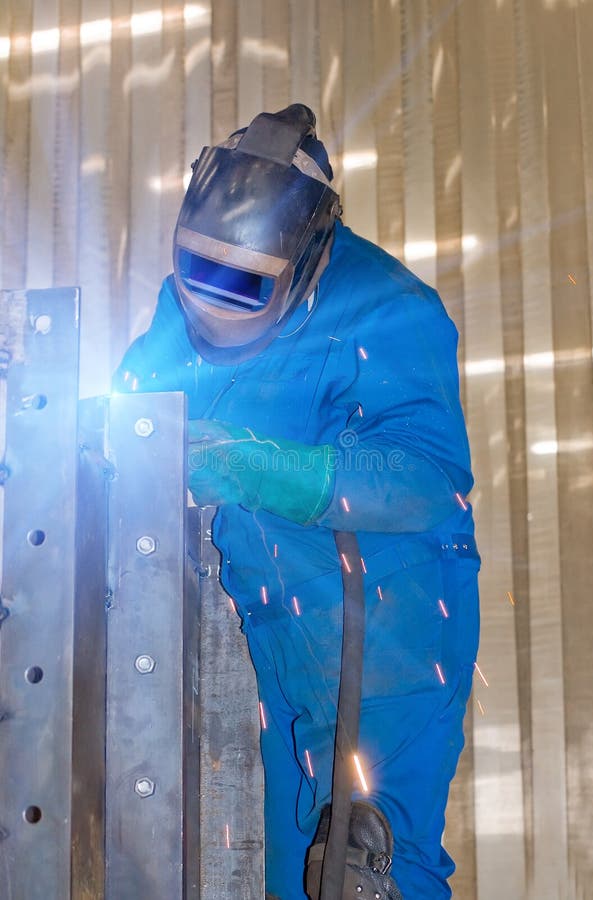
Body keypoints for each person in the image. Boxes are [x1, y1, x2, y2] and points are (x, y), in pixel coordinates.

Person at [114, 104, 480, 900]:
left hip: (382, 634)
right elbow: (135, 401)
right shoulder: (196, 289)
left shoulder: (388, 308)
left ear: (307, 255)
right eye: (194, 271)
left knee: (366, 867)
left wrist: (259, 471)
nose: (209, 302)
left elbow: (429, 476)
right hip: (274, 626)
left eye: (243, 287)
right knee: (291, 876)